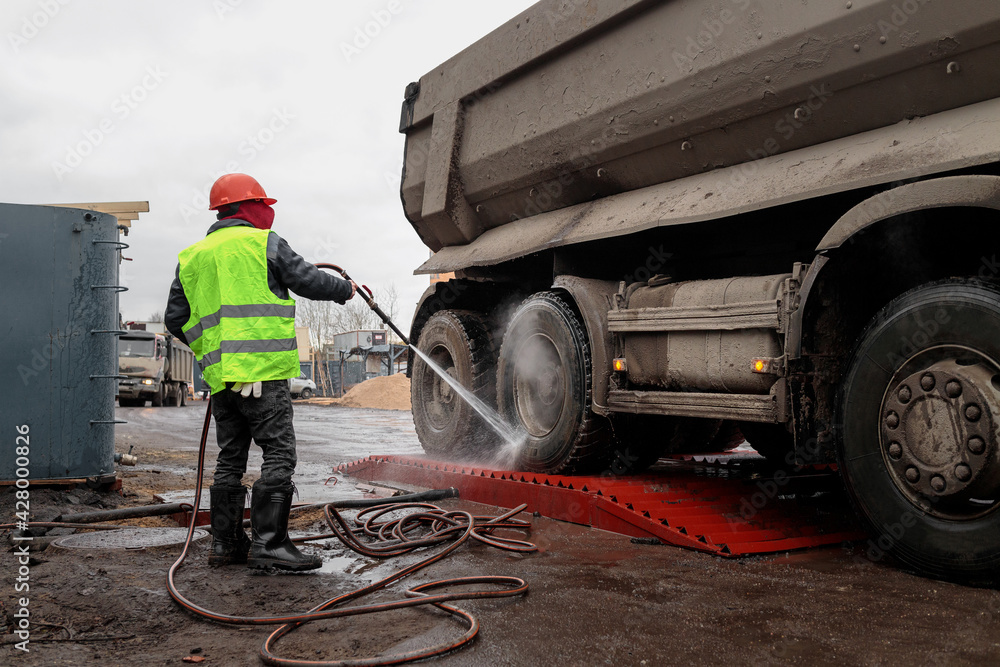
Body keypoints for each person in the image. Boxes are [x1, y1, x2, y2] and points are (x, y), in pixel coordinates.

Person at [165, 173, 355, 571]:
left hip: (221, 379)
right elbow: (307, 279)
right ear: (248, 207)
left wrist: (213, 354)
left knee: (231, 457)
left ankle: (226, 545)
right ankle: (269, 545)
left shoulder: (192, 256)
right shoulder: (262, 243)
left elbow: (174, 319)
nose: (268, 212)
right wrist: (344, 290)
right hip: (264, 374)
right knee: (279, 452)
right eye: (263, 205)